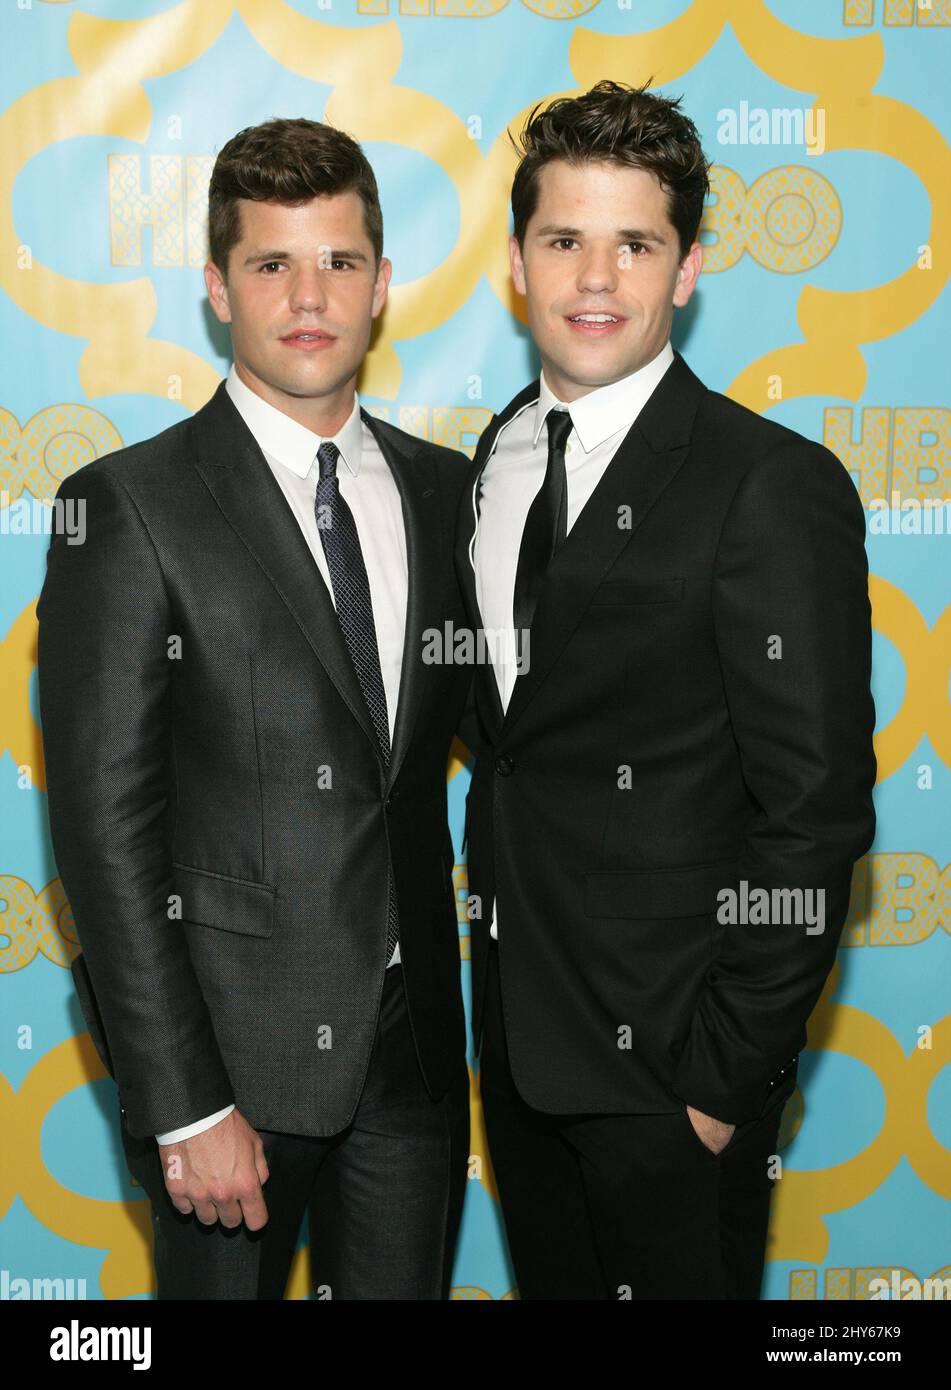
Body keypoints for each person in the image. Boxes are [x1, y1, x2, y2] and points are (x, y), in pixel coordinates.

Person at [455, 80, 877, 1300]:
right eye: (565, 240)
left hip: (671, 1078)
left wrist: (718, 1083)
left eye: (634, 243)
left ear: (686, 268)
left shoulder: (768, 483)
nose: (596, 277)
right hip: (521, 1060)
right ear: (519, 265)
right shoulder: (497, 455)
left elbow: (816, 814)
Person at [37, 116, 471, 1300]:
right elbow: (103, 831)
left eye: (337, 261)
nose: (307, 295)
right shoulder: (129, 507)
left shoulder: (451, 492)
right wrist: (184, 1102)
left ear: (382, 286)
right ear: (219, 291)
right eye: (271, 264)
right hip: (232, 1073)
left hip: (416, 1059)